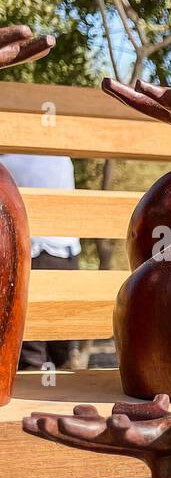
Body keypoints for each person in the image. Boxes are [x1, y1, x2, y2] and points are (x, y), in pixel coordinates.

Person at [2, 152, 84, 370]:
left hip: (30, 255)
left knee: (30, 349)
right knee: (61, 345)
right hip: (65, 255)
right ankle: (59, 391)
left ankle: (37, 392)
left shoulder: (8, 162)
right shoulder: (61, 158)